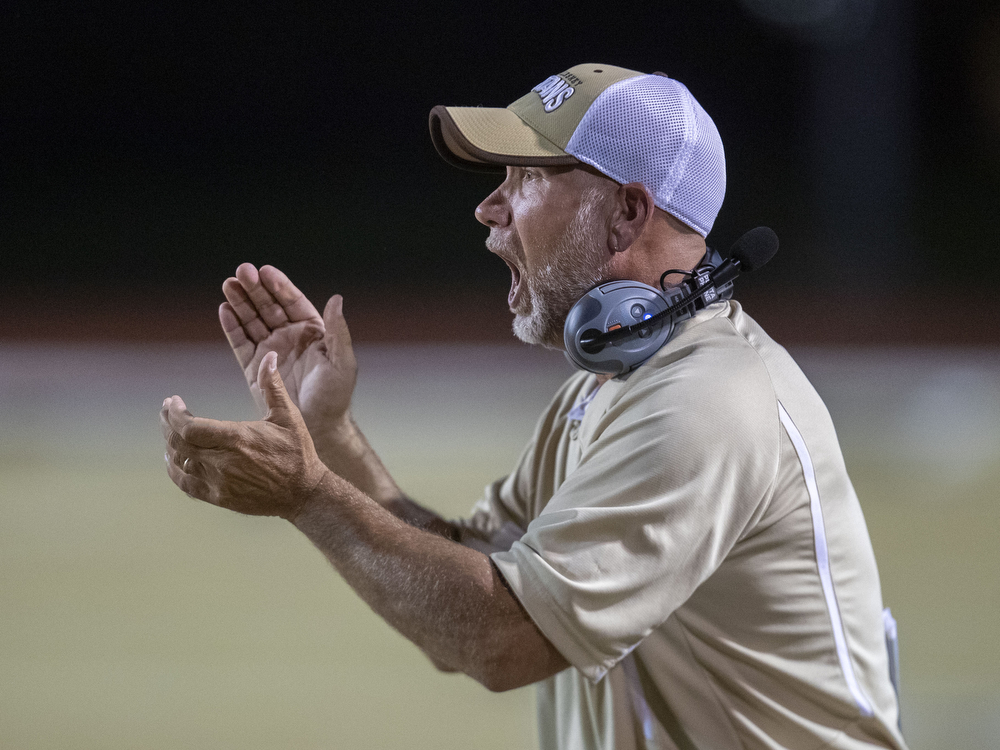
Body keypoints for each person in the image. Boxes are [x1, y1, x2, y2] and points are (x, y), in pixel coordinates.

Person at [160, 64, 908, 749]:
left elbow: (499, 639)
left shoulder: (705, 402)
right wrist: (331, 436)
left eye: (524, 176)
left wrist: (308, 495)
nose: (488, 208)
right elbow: (467, 581)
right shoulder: (614, 384)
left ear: (625, 212)